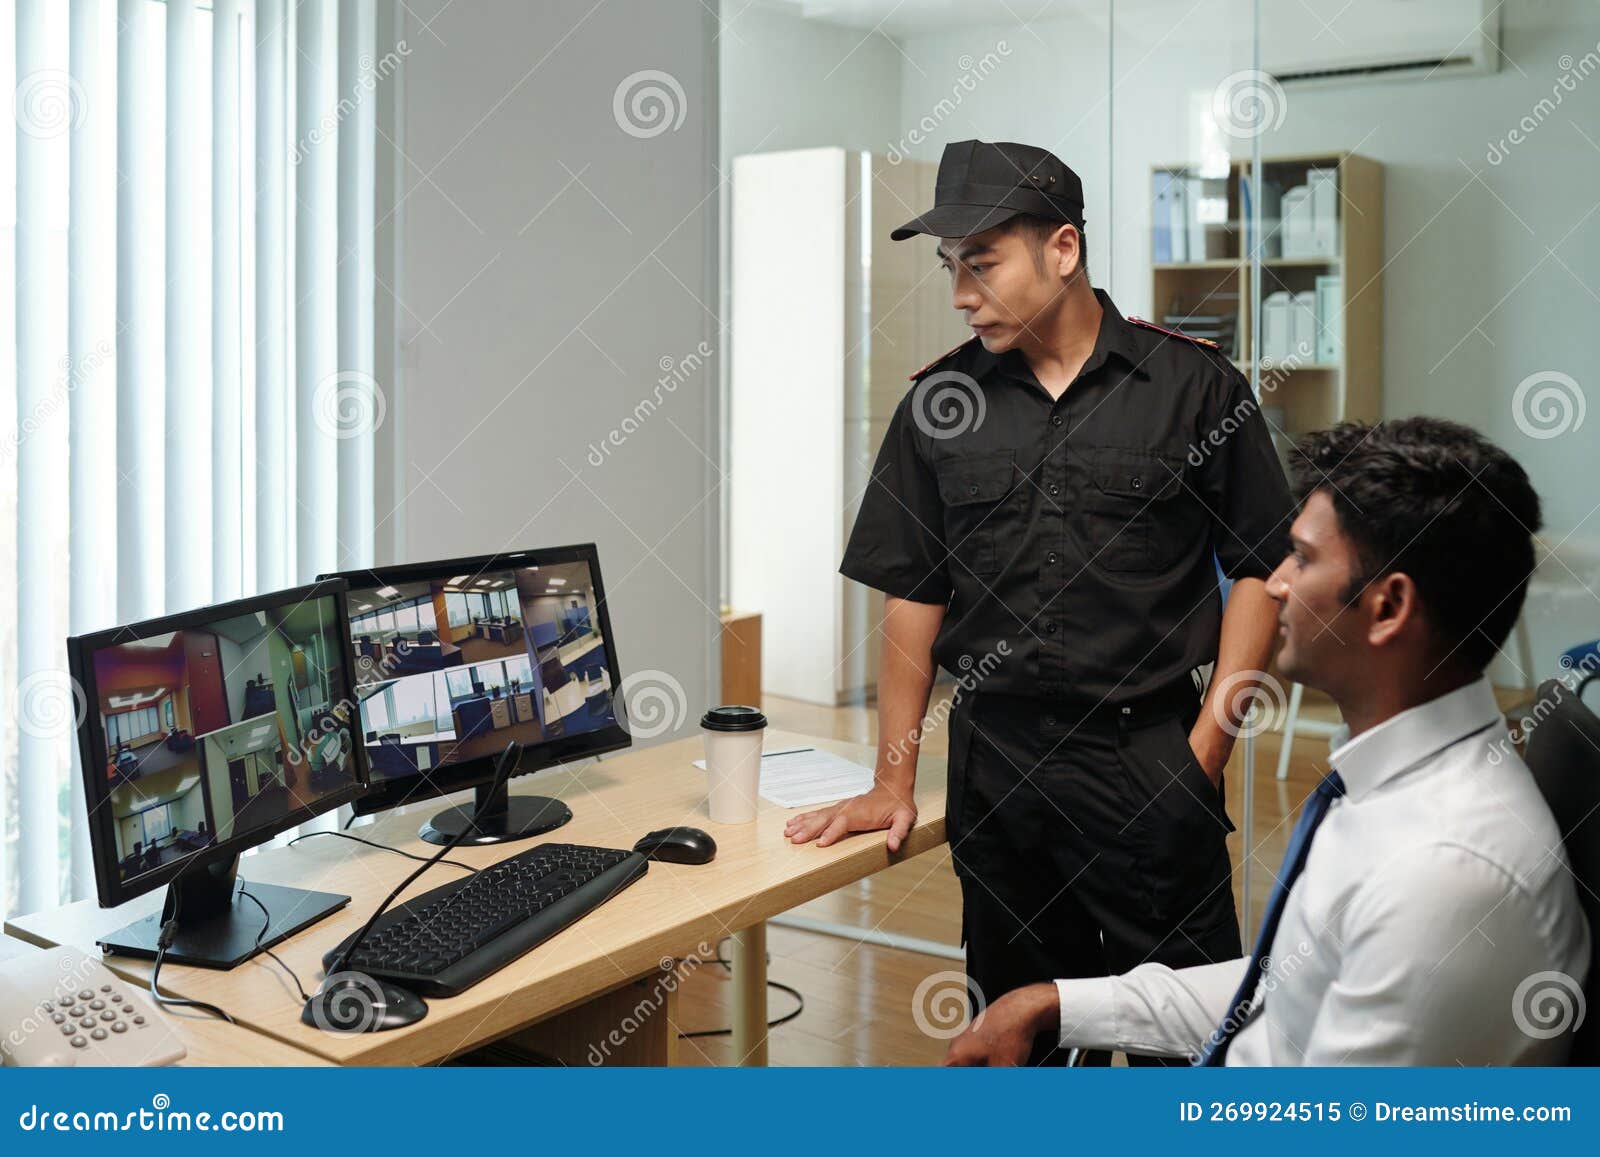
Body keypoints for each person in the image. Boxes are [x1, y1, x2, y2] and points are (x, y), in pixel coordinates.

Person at [784, 139, 1293, 1065]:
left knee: (1186, 1034)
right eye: (950, 268)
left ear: (1063, 250)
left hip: (1151, 754)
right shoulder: (939, 402)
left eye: (982, 263)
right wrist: (892, 777)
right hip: (1000, 763)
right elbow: (914, 594)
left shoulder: (1195, 388)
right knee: (1017, 1028)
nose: (960, 292)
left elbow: (1260, 565)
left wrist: (1208, 745)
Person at [944, 417, 1591, 1065]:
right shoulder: (1391, 783)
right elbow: (1283, 988)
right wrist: (1054, 1002)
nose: (1274, 582)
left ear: (1389, 607)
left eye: (1303, 558)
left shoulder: (1443, 875)